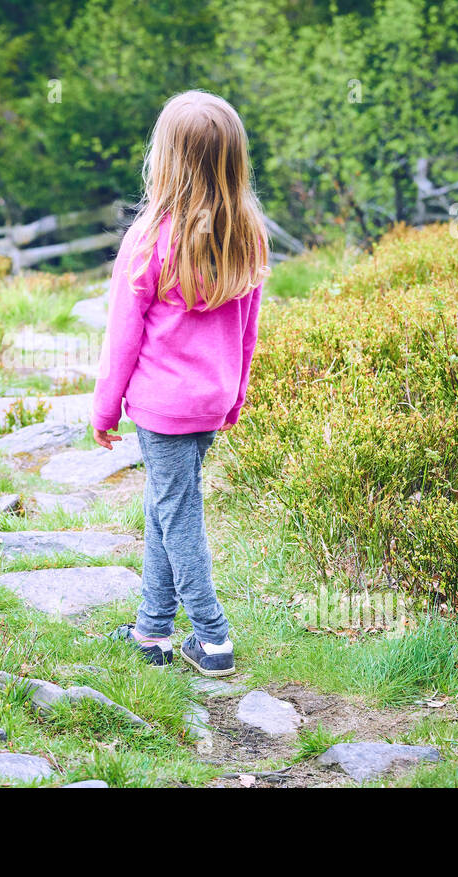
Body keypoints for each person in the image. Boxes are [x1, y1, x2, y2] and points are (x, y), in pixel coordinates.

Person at [92, 90, 268, 678]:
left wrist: (104, 408)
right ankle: (153, 626)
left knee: (177, 511)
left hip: (162, 406)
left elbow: (121, 339)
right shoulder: (248, 236)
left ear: (165, 160)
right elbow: (248, 331)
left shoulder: (146, 242)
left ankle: (212, 636)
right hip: (212, 401)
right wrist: (236, 395)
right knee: (166, 503)